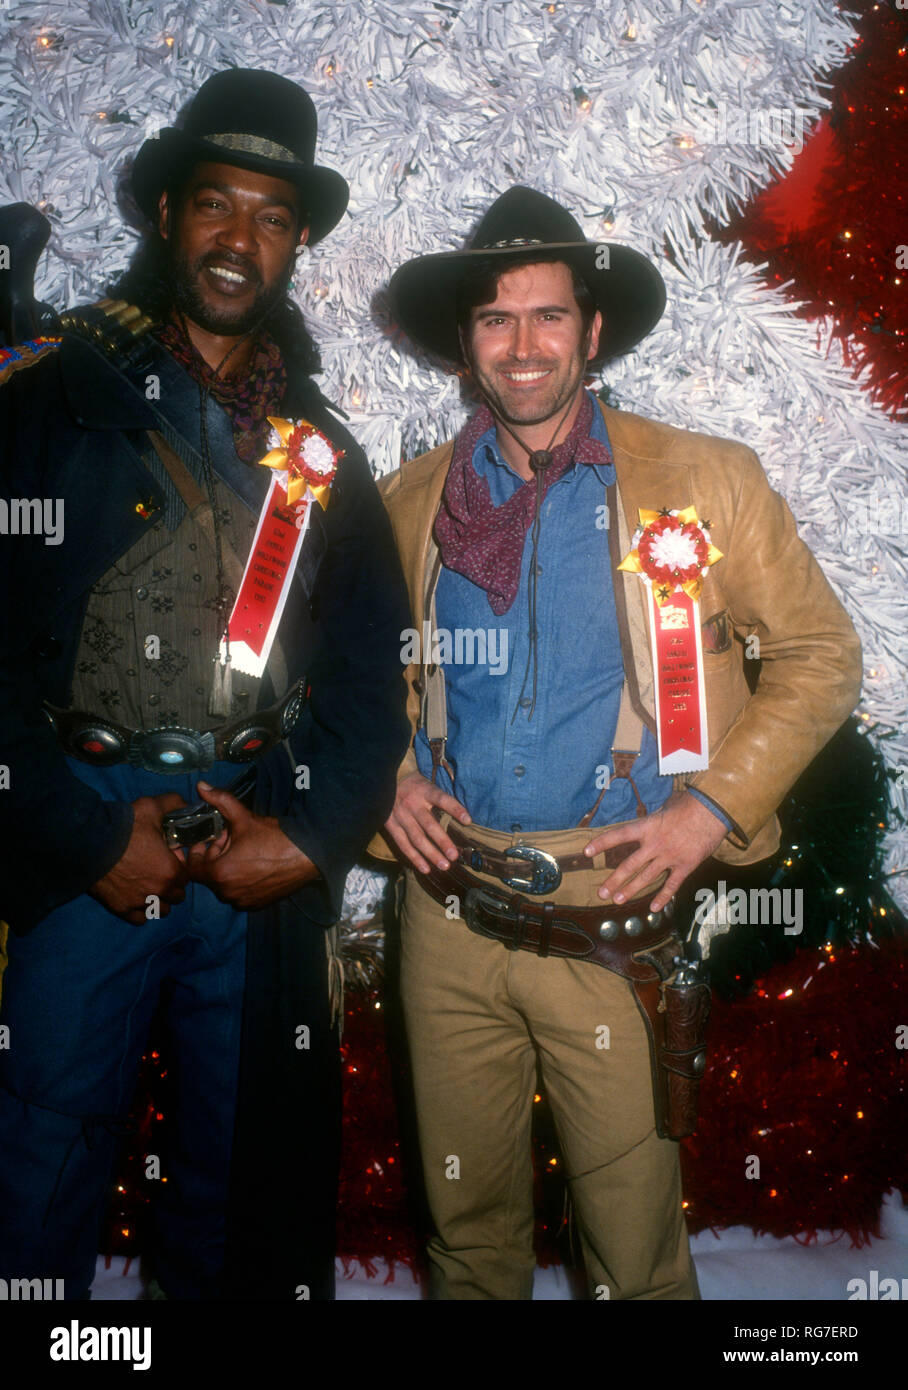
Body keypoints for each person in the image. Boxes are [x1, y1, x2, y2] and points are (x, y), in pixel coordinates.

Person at [369, 185, 863, 1300]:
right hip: (446, 916)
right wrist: (388, 778)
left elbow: (821, 653)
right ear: (465, 342)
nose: (523, 345)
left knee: (633, 1259)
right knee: (466, 1242)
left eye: (548, 316)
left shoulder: (704, 481)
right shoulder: (404, 503)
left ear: (591, 333)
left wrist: (709, 805)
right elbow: (350, 686)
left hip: (610, 912)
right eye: (495, 320)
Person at [0, 68, 410, 1301]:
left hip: (254, 834)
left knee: (245, 1195)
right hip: (82, 836)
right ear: (169, 214)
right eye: (217, 206)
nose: (242, 239)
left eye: (273, 216)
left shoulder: (320, 450)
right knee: (35, 1168)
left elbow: (366, 673)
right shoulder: (46, 401)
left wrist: (312, 834)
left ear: (296, 245)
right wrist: (81, 832)